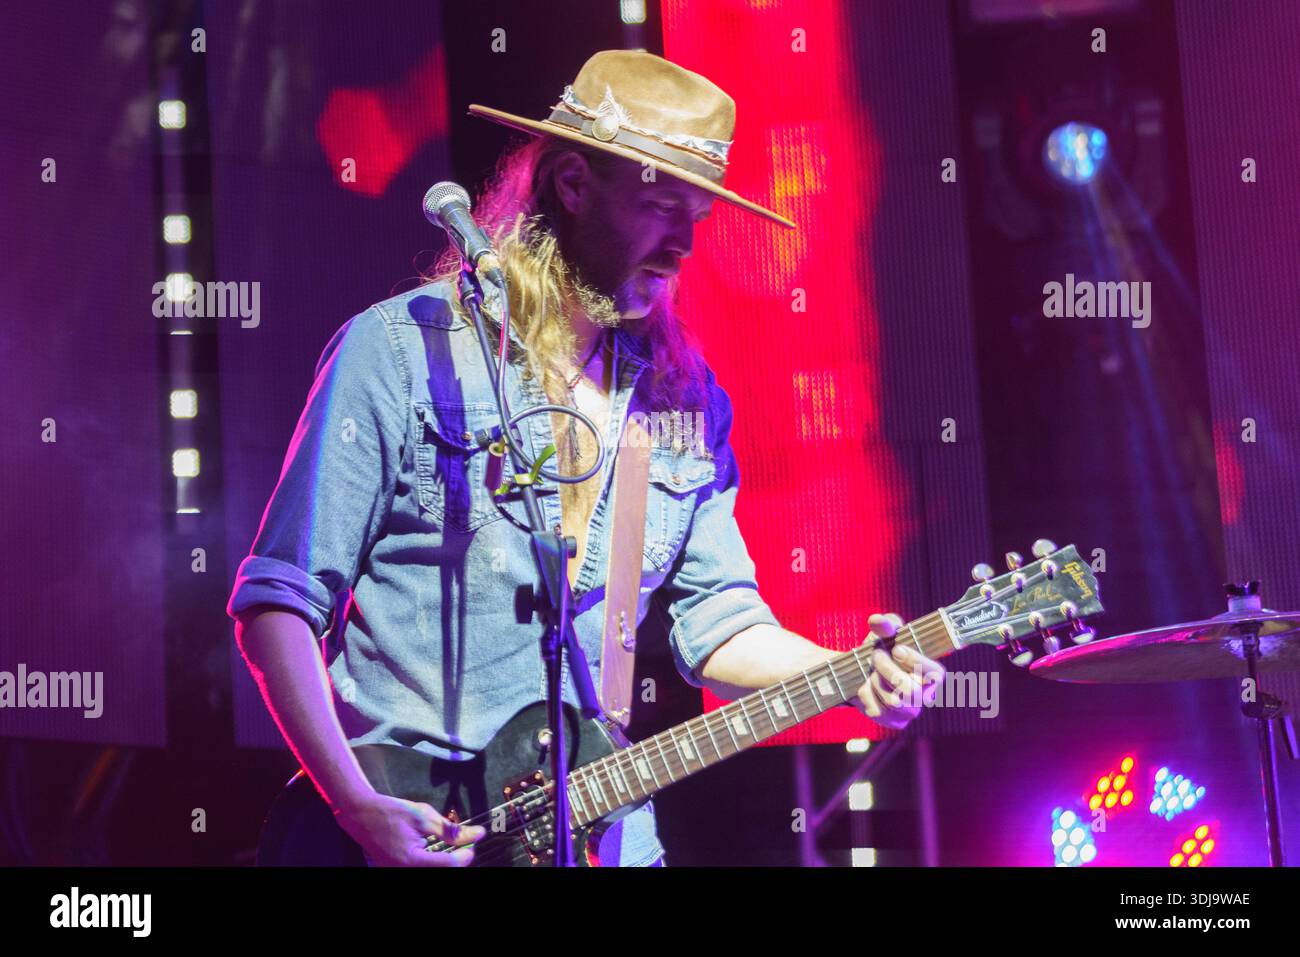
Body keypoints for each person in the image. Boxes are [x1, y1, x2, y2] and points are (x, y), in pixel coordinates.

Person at [228, 49, 944, 867]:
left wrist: (848, 670)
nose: (682, 244)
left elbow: (720, 625)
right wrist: (354, 805)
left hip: (601, 839)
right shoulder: (399, 351)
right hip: (408, 832)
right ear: (572, 184)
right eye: (659, 205)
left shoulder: (683, 400)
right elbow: (277, 604)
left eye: (697, 216)